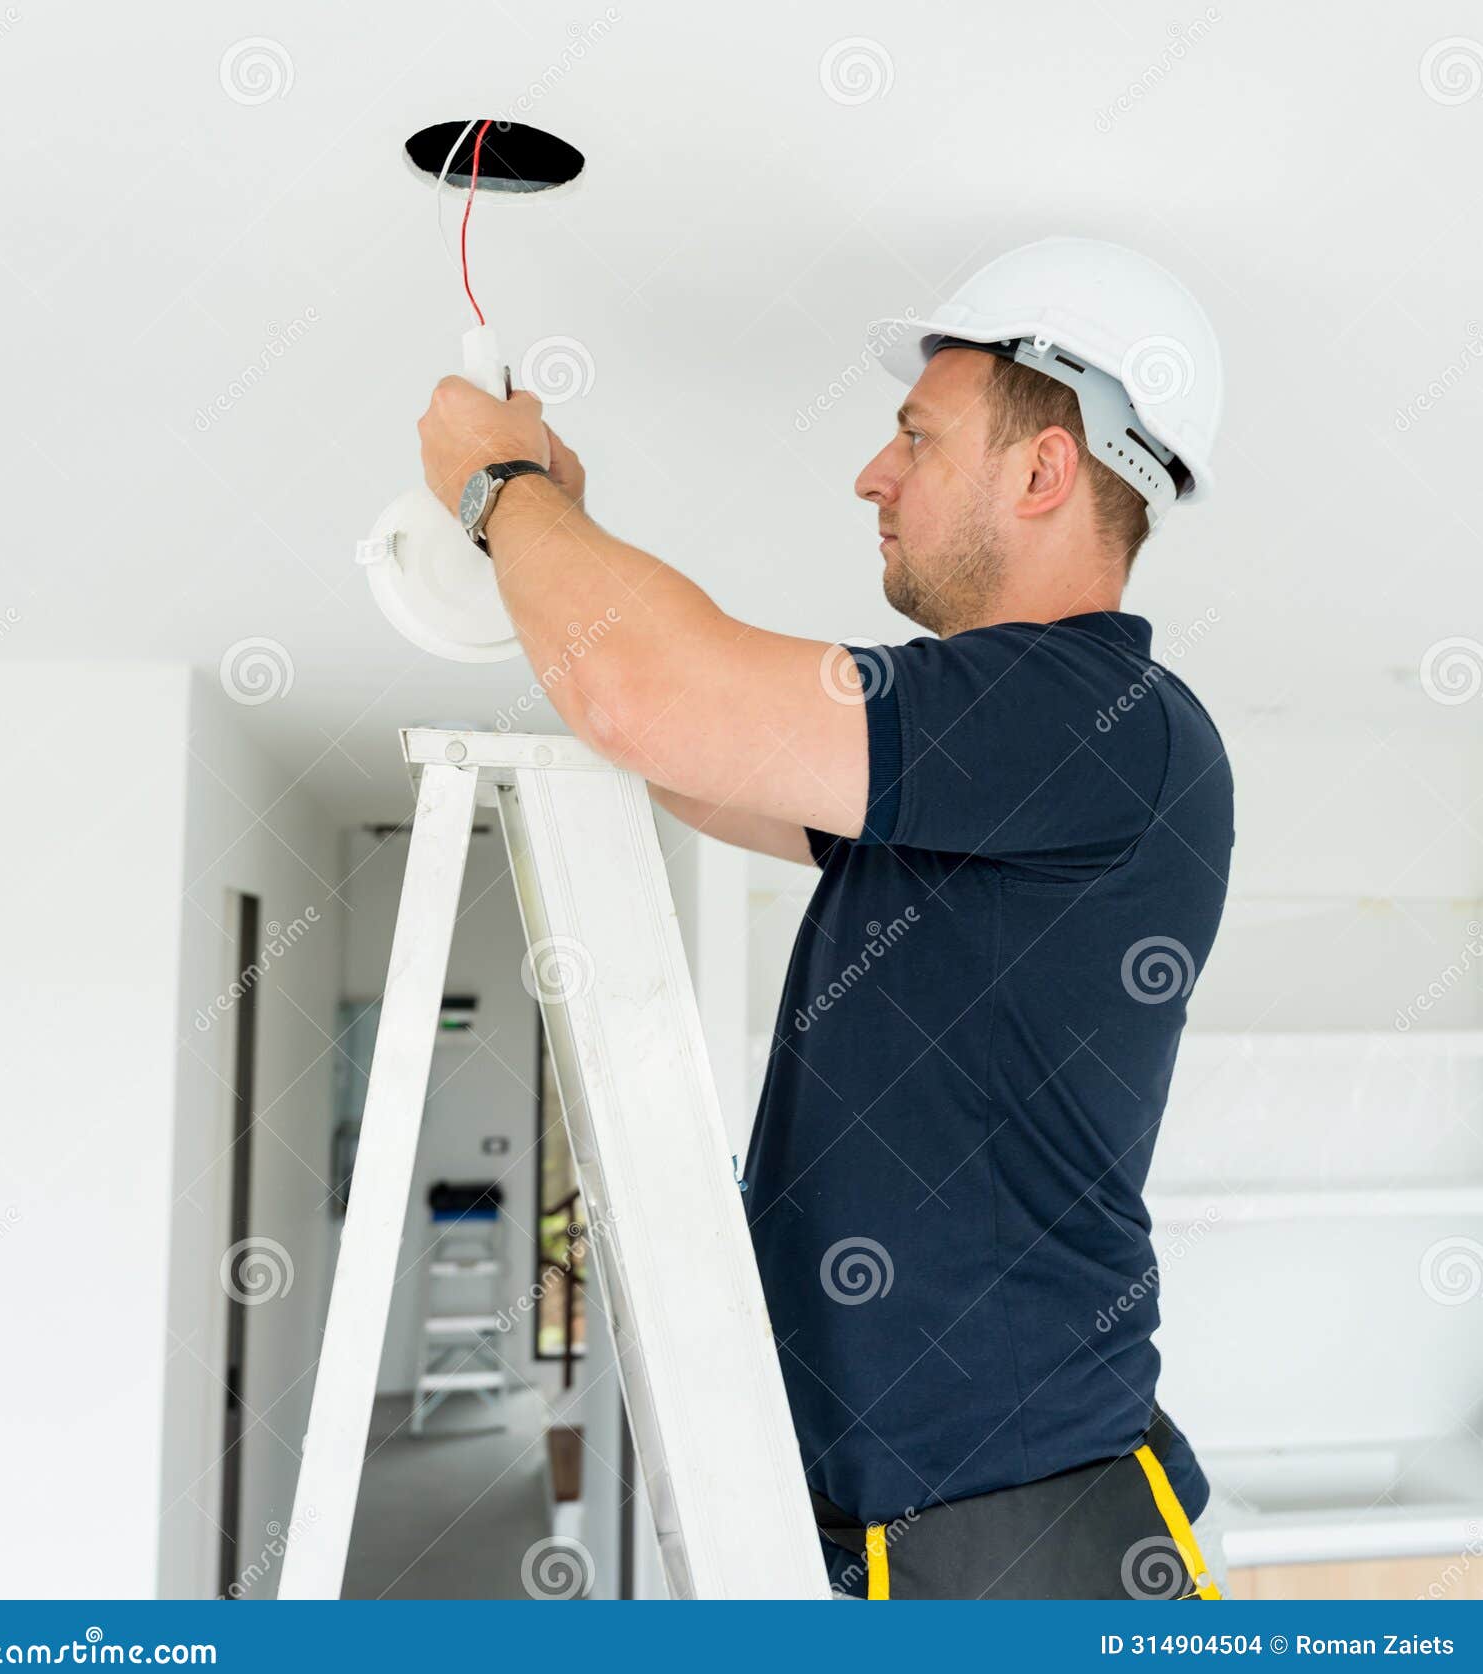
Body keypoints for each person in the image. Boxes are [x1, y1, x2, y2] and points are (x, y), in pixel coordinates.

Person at [416, 237, 1233, 1600]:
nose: (873, 473)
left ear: (1043, 473)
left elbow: (651, 701)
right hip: (924, 1534)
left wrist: (500, 493)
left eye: (917, 436)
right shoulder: (1006, 748)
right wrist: (557, 543)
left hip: (1015, 1549)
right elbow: (696, 765)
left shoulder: (1092, 719)